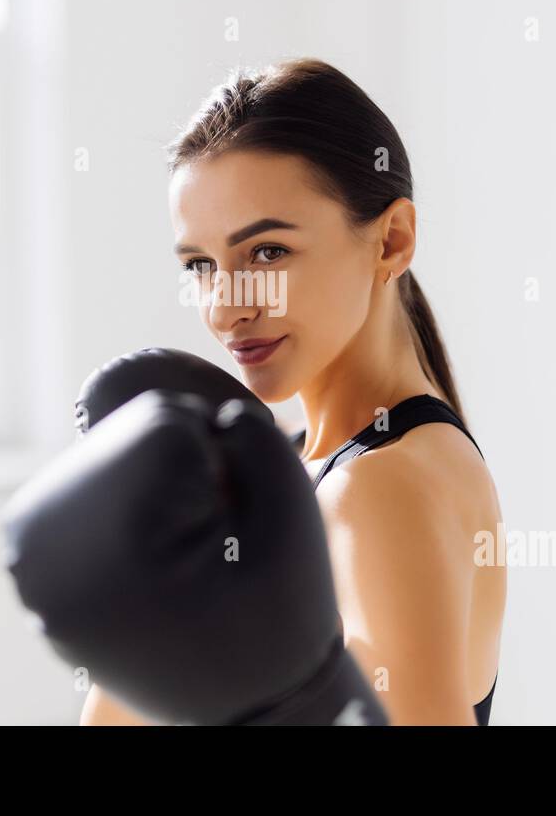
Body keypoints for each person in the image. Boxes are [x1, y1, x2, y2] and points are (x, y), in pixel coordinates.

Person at [82, 58, 506, 725]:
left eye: (267, 253)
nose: (225, 308)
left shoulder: (376, 487)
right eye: (200, 264)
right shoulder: (293, 470)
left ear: (390, 240)